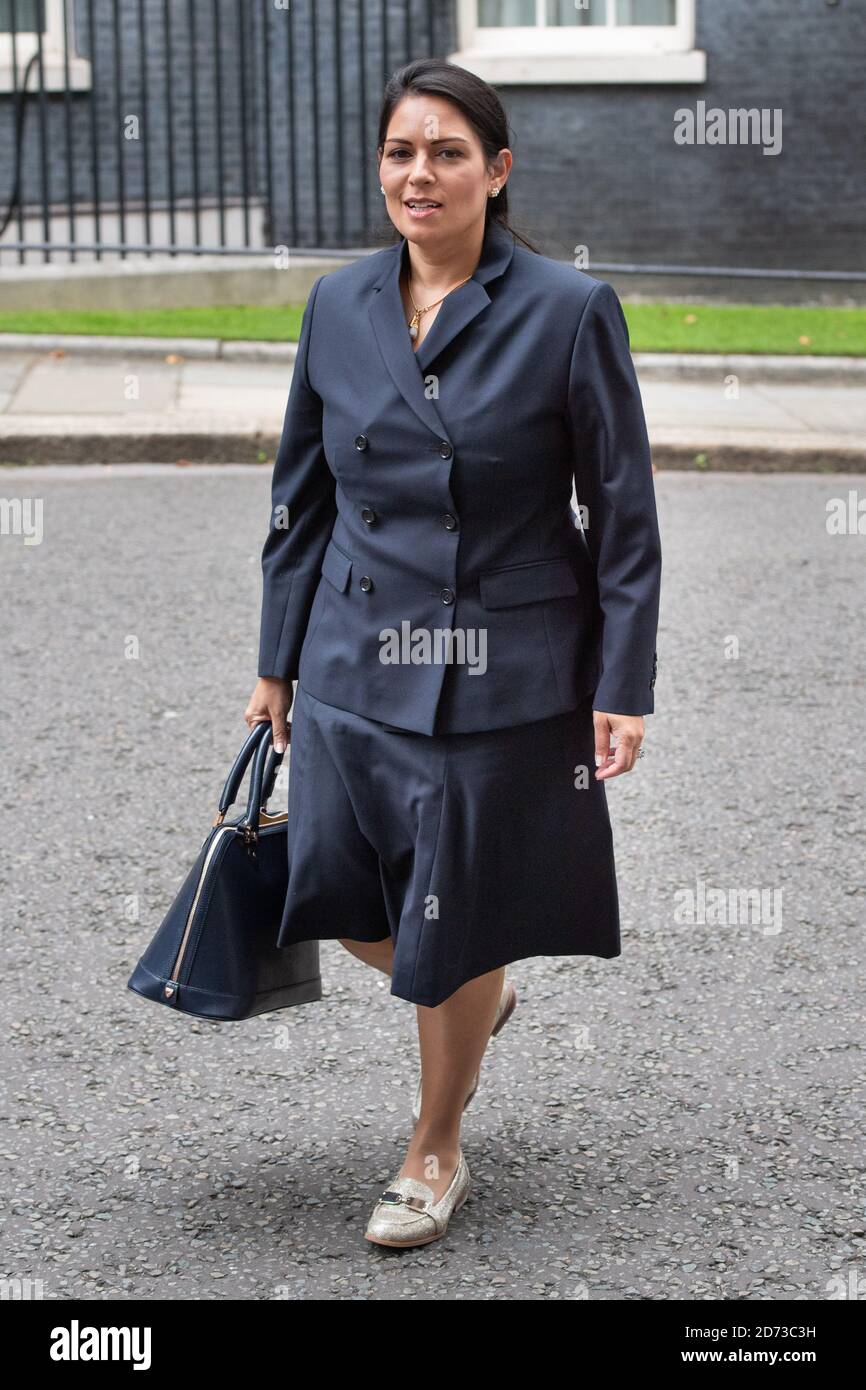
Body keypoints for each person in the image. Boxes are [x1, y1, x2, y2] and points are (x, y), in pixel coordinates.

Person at [244, 57, 662, 1249]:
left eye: (445, 153)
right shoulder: (337, 304)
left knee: (448, 919)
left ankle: (433, 1148)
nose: (417, 175)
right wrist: (277, 662)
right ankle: (479, 990)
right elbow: (300, 498)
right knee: (335, 891)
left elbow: (619, 512)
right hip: (350, 655)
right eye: (398, 153)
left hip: (504, 671)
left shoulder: (566, 310)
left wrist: (619, 682)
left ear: (496, 170)